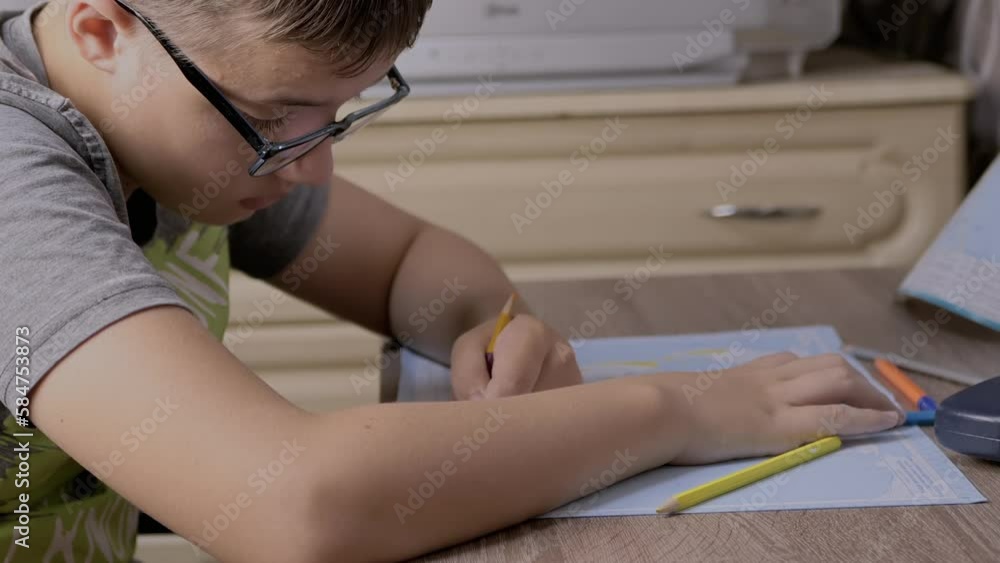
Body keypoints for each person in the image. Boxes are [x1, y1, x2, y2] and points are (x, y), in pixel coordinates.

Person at [0, 1, 904, 561]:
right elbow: (293, 507)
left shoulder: (185, 118)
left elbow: (408, 263)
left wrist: (488, 325)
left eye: (337, 116)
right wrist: (677, 412)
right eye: (279, 117)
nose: (311, 169)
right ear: (101, 31)